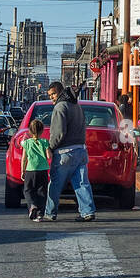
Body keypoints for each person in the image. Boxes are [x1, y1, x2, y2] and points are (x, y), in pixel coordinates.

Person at [44, 81, 96, 223]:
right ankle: (87, 211)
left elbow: (58, 132)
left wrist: (51, 147)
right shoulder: (76, 105)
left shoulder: (60, 107)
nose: (52, 98)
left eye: (53, 94)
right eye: (50, 95)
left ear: (60, 92)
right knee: (81, 183)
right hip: (80, 150)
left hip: (64, 152)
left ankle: (50, 213)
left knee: (55, 183)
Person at [22, 118, 51, 221]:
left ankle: (32, 205)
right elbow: (49, 156)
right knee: (42, 192)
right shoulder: (44, 142)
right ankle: (40, 214)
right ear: (42, 130)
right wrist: (48, 148)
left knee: (28, 190)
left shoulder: (27, 143)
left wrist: (23, 171)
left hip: (30, 170)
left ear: (30, 130)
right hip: (43, 170)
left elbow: (24, 158)